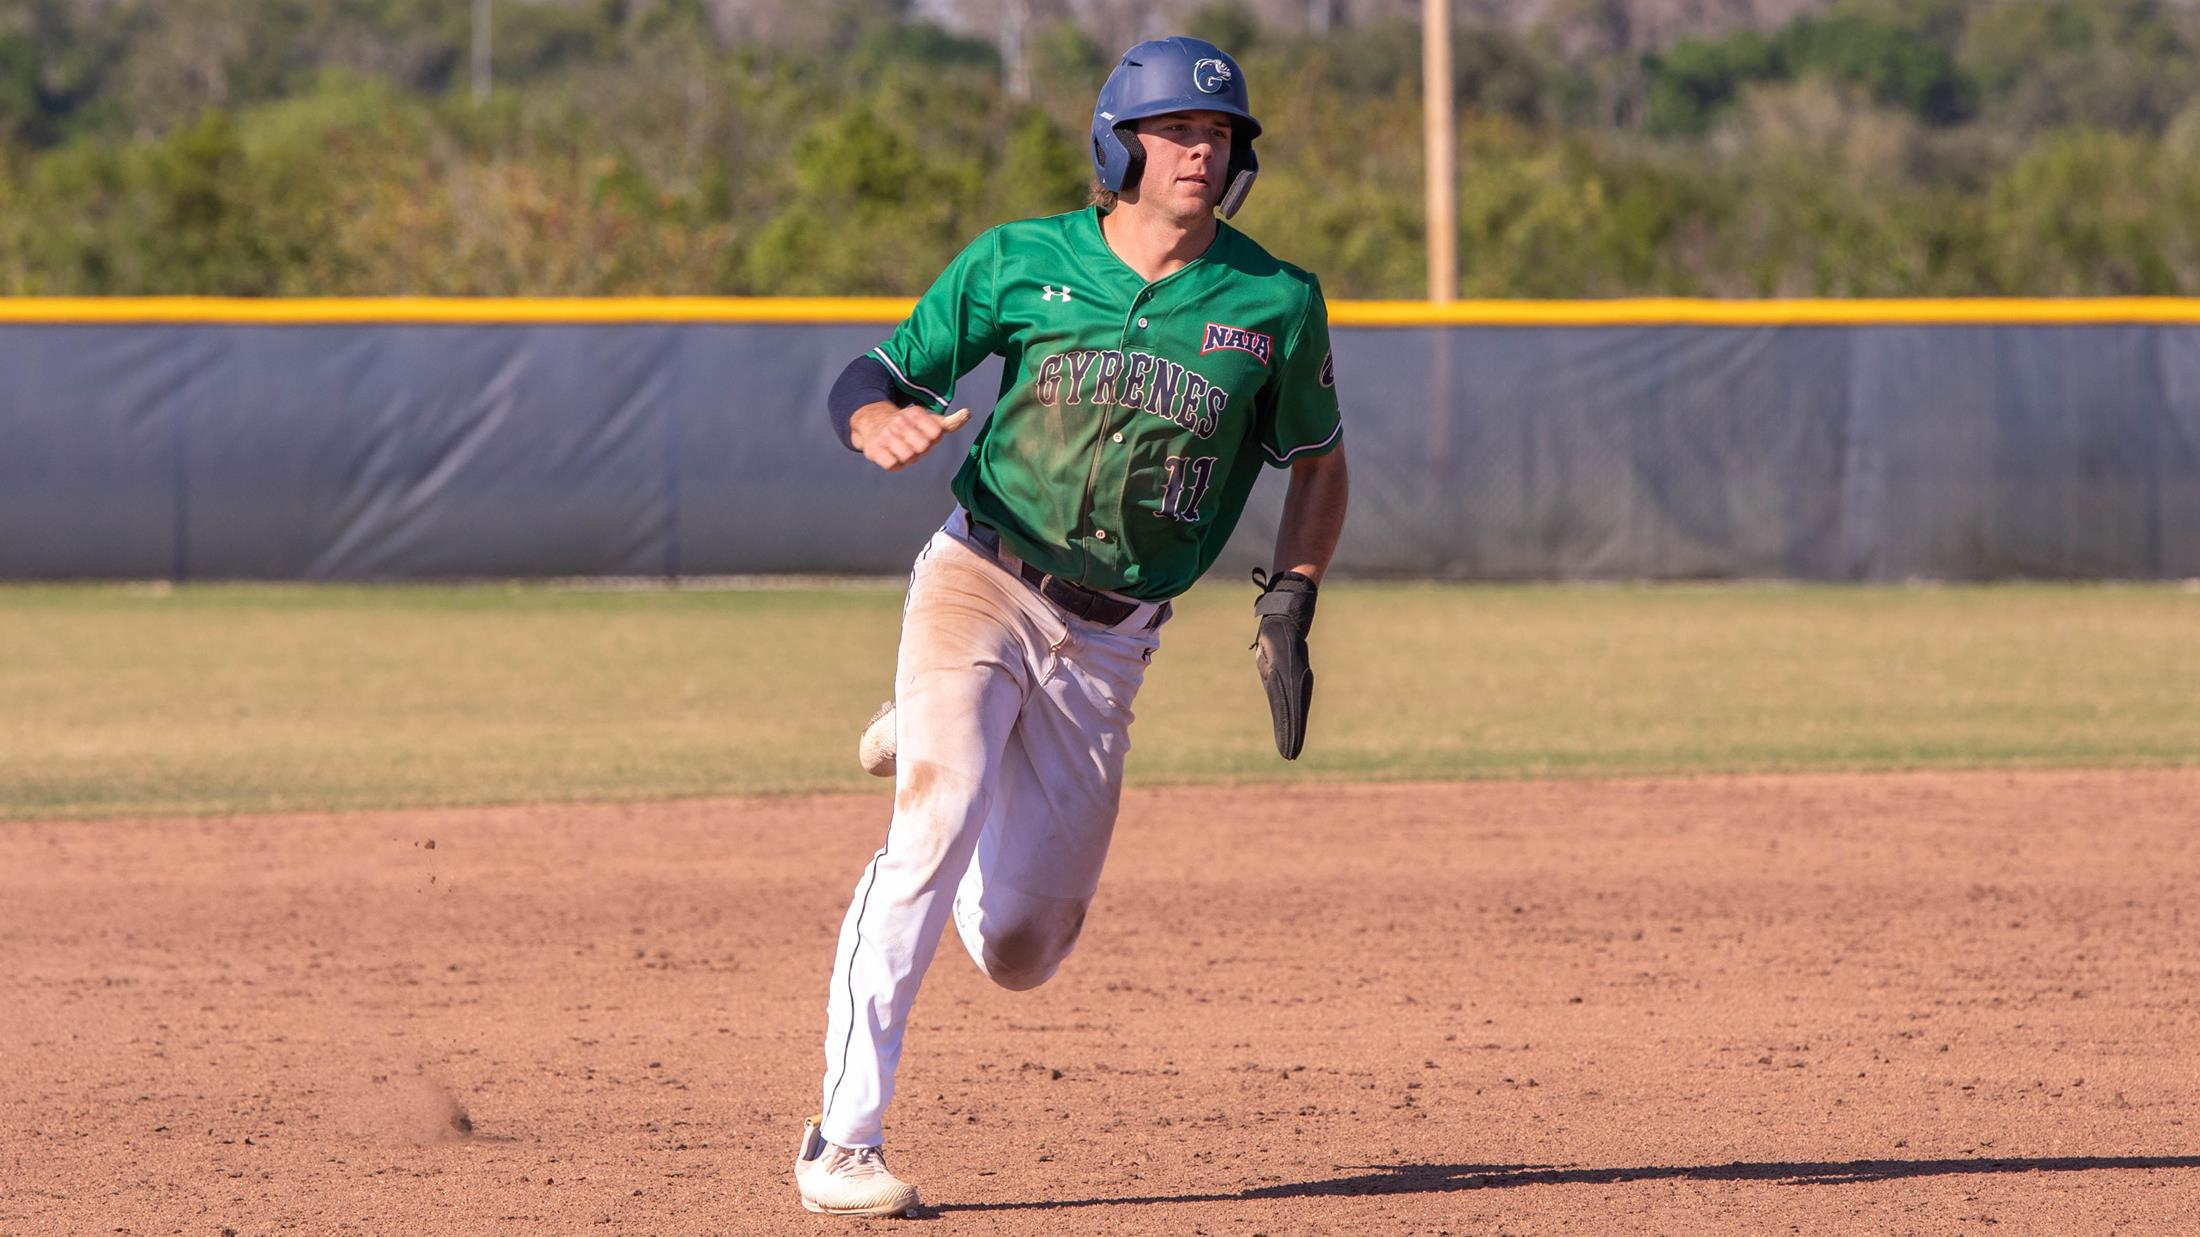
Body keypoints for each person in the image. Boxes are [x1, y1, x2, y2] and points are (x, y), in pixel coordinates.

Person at [795, 35, 1350, 1217]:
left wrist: (1292, 594)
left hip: (1109, 640)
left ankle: (944, 734)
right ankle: (842, 1141)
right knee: (930, 833)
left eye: (1219, 134)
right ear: (1119, 146)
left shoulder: (1273, 301)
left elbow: (1318, 463)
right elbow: (870, 375)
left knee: (1021, 951)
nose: (1201, 151)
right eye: (1177, 130)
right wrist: (874, 423)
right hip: (980, 575)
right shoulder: (1019, 261)